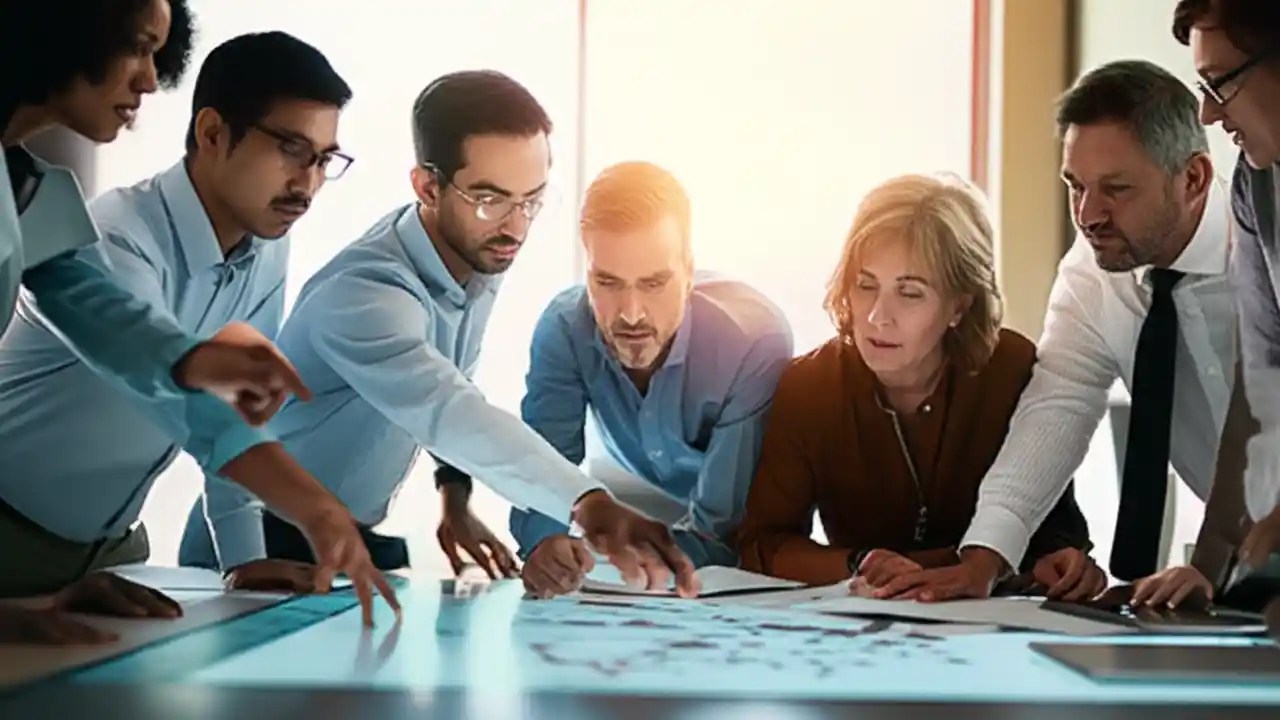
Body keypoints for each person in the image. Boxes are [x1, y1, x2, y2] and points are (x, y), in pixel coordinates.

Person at [179, 70, 699, 597]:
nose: (516, 227)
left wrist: (453, 497)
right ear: (428, 186)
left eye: (531, 200)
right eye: (490, 198)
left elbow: (451, 377)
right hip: (253, 545)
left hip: (339, 540)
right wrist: (590, 503)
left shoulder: (478, 248)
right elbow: (446, 407)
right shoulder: (367, 294)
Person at [0, 2, 396, 644]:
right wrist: (314, 507)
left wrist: (241, 556)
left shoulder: (34, 190)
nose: (152, 81)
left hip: (103, 557)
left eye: (325, 159)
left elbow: (119, 328)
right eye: (135, 46)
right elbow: (179, 399)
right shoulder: (117, 232)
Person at [869, 60, 1235, 604]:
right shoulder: (1092, 275)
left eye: (1116, 190)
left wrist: (1213, 560)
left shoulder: (1263, 254)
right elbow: (1055, 410)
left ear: (1194, 178)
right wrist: (985, 558)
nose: (1088, 215)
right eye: (1074, 186)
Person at [734, 172, 1092, 593]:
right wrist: (857, 564)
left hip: (987, 622)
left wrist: (1068, 565)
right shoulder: (810, 386)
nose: (877, 317)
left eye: (910, 292)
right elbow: (763, 545)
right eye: (866, 286)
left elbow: (1057, 533)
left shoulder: (1014, 371)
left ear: (960, 305)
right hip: (863, 622)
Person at [462, 161, 793, 596]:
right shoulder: (564, 328)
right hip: (624, 500)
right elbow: (544, 468)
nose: (631, 313)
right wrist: (544, 542)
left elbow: (722, 531)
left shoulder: (753, 340)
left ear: (689, 272)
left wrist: (621, 561)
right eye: (608, 282)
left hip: (725, 526)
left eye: (654, 283)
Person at [1175, 0, 1280, 604]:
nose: (1208, 113)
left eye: (1221, 84)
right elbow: (1261, 382)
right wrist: (1210, 568)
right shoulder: (1255, 183)